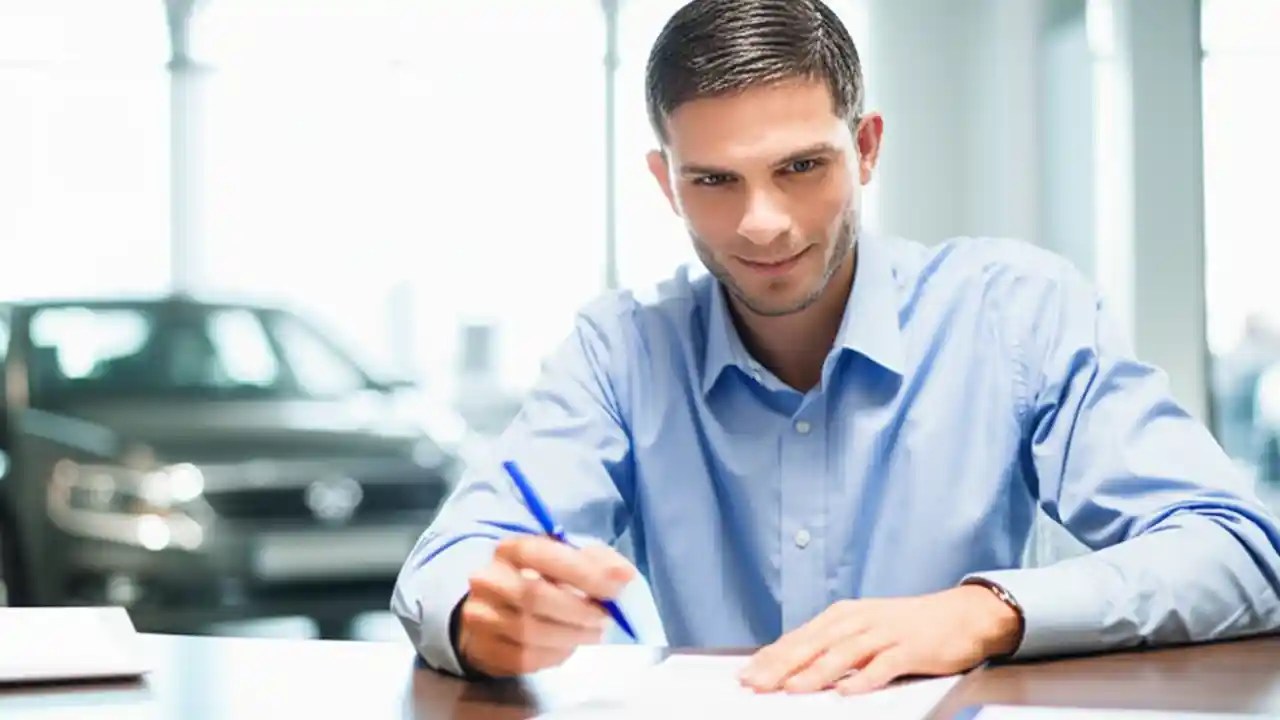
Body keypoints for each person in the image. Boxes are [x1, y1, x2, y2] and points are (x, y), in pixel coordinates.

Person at [392, 0, 1280, 695]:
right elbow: (451, 561)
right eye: (714, 181)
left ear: (866, 147)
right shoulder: (619, 352)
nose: (762, 224)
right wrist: (483, 612)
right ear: (666, 182)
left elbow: (1239, 549)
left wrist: (986, 611)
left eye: (801, 167)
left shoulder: (1019, 316)